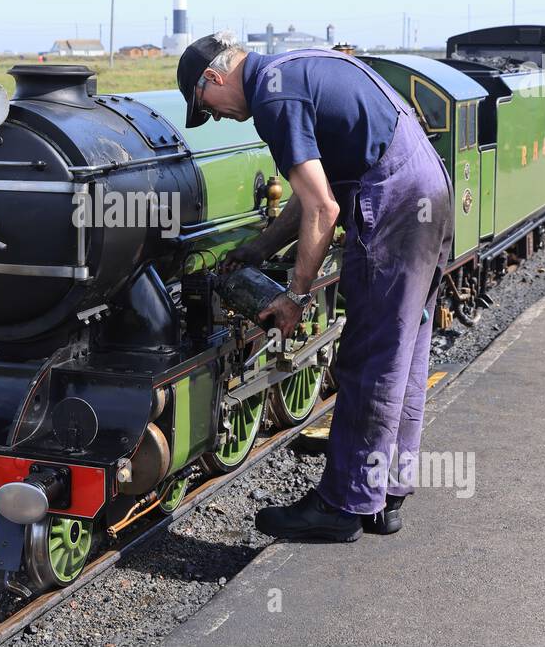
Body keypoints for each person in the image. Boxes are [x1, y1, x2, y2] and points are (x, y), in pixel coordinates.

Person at [175, 33, 453, 541]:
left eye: (205, 107)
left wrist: (296, 297)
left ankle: (342, 507)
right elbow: (313, 196)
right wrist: (261, 248)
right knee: (404, 353)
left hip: (395, 206)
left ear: (213, 79)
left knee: (369, 360)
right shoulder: (293, 69)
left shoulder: (272, 101)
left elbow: (324, 209)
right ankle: (383, 495)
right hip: (425, 193)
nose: (215, 117)